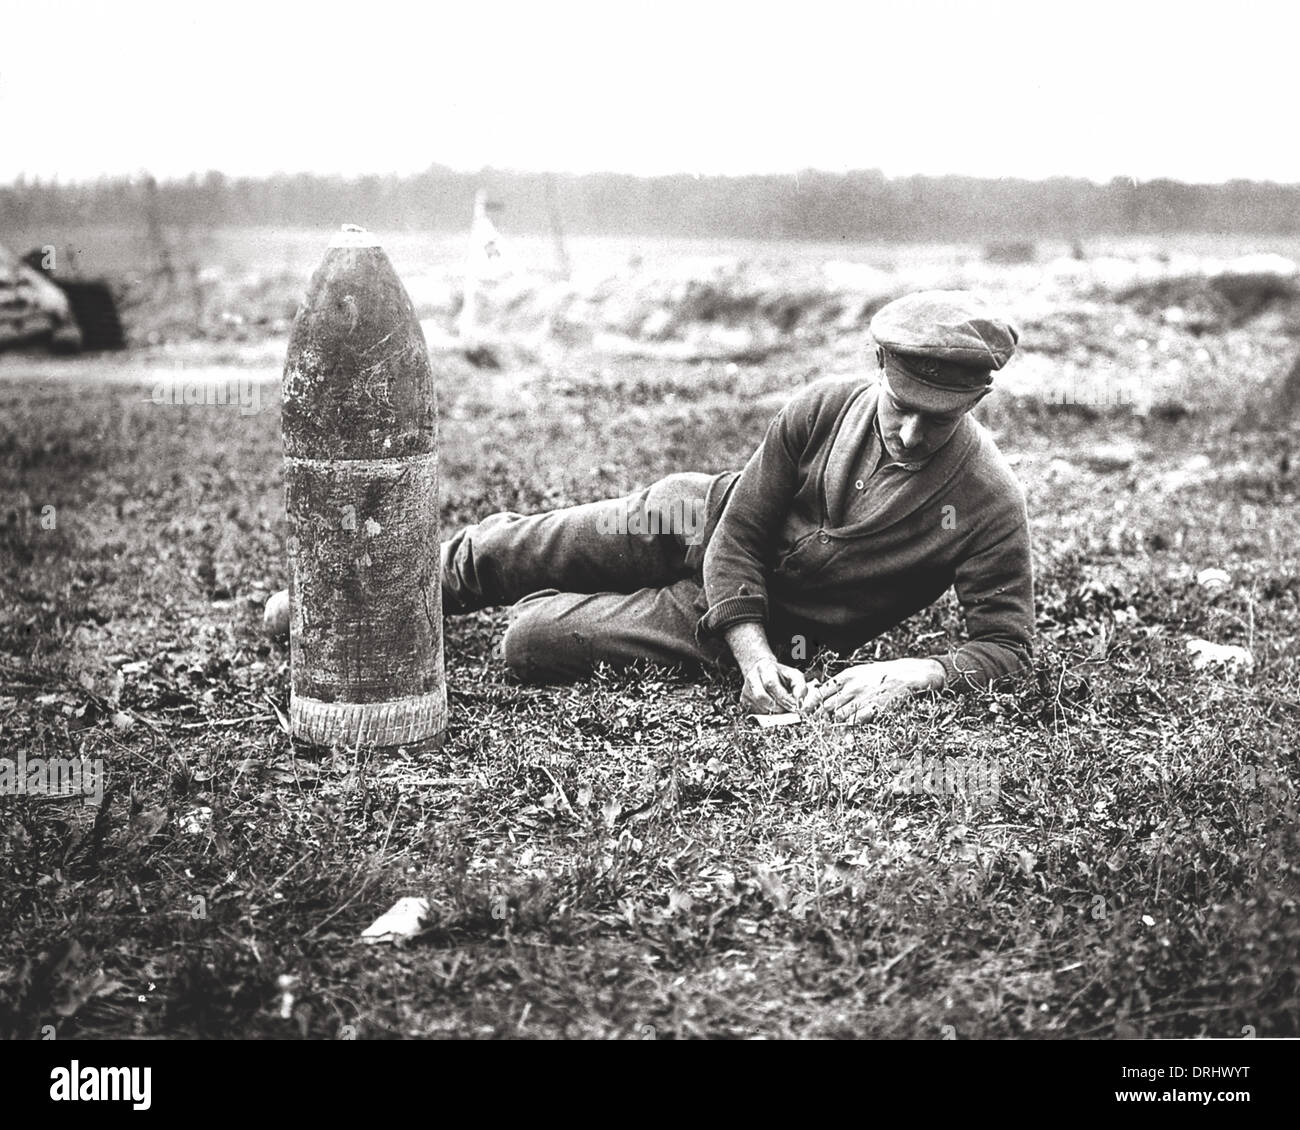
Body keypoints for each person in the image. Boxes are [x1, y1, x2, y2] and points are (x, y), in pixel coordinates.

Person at [269, 290, 1034, 724]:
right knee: (509, 551)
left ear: (977, 398)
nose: (909, 429)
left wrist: (917, 673)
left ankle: (588, 610)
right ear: (878, 369)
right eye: (901, 403)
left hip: (751, 617)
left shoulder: (989, 501)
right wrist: (754, 657)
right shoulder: (824, 406)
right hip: (691, 521)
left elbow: (1008, 649)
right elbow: (739, 528)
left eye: (938, 416)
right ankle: (337, 602)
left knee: (528, 643)